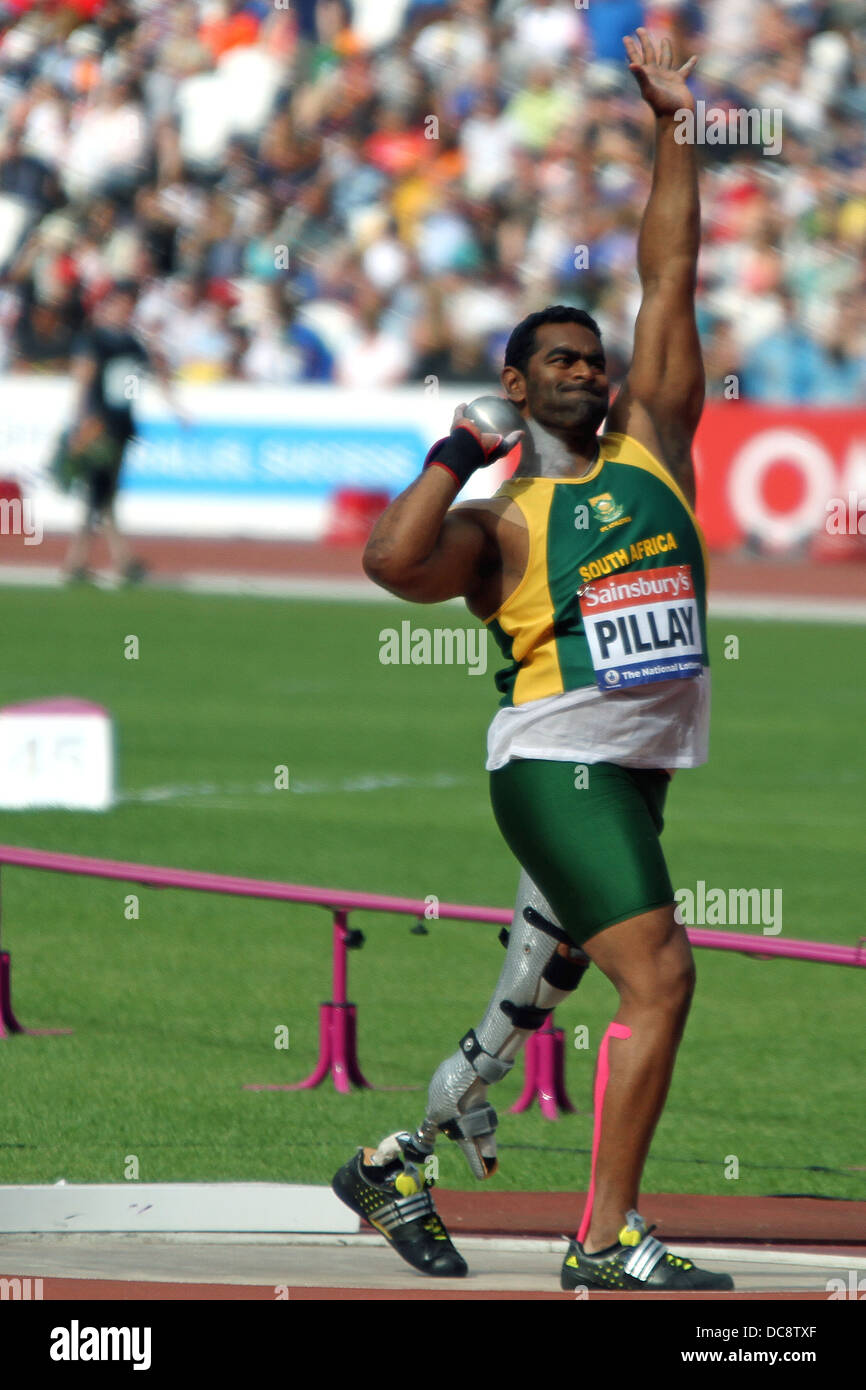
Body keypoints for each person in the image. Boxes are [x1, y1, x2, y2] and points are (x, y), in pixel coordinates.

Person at [332, 29, 733, 1293]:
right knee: (658, 979)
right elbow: (390, 565)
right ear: (517, 385)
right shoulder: (493, 523)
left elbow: (665, 275)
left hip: (638, 769)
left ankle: (394, 1161)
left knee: (526, 1003)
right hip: (559, 765)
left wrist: (677, 128)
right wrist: (458, 448)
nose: (585, 368)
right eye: (556, 361)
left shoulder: (653, 441)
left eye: (589, 356)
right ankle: (604, 1236)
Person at [61, 280, 184, 584]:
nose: (125, 312)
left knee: (105, 494)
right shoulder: (95, 341)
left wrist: (176, 408)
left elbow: (155, 372)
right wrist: (80, 422)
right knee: (99, 492)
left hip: (121, 424)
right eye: (120, 305)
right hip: (99, 425)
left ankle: (97, 559)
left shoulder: (131, 342)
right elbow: (84, 381)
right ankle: (99, 559)